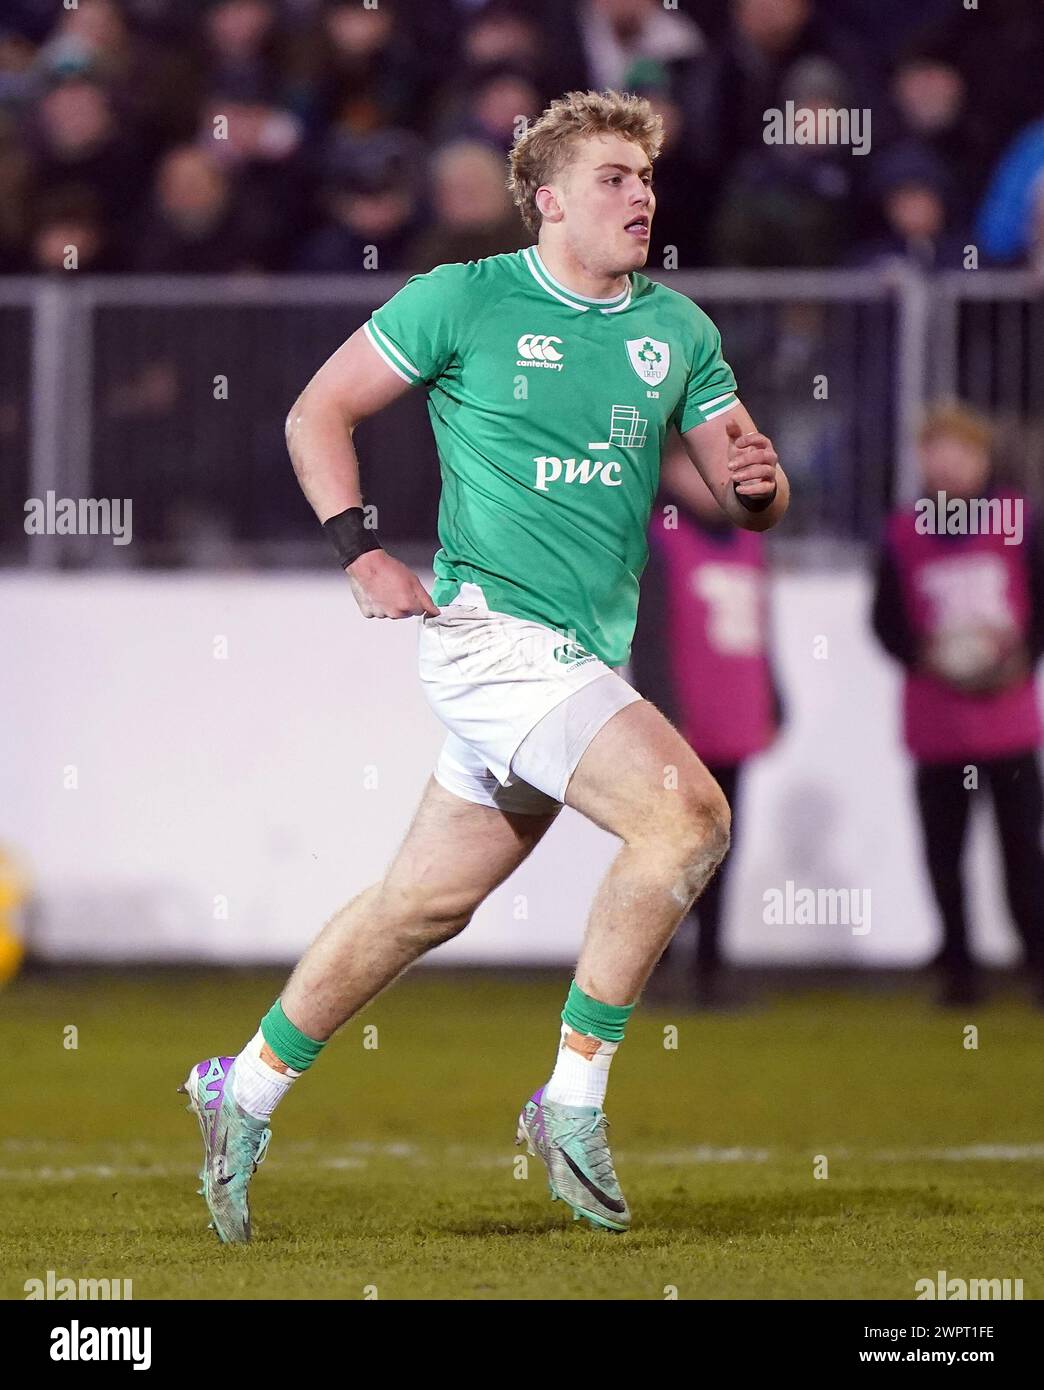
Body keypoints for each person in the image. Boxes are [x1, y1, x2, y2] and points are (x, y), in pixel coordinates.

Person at [180, 88, 788, 1241]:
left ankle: (242, 1086)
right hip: (495, 642)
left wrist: (758, 489)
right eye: (613, 178)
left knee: (420, 906)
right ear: (548, 200)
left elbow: (745, 489)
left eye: (647, 178)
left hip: (580, 655)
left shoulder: (679, 331)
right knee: (687, 820)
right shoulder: (466, 297)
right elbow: (318, 412)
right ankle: (571, 1102)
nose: (640, 196)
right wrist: (359, 552)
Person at [871, 404, 1044, 1006]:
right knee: (944, 853)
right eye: (934, 451)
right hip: (937, 724)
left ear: (983, 458)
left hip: (1009, 722)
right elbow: (885, 623)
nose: (945, 464)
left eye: (959, 451)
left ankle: (1035, 961)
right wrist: (929, 655)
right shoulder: (901, 532)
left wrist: (1019, 657)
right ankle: (959, 972)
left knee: (1023, 848)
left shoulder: (1020, 520)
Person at [631, 435, 783, 1005]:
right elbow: (648, 642)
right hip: (684, 724)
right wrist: (667, 718)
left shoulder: (748, 542)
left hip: (733, 717)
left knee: (720, 848)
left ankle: (708, 970)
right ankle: (647, 965)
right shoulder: (658, 543)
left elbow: (763, 631)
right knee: (673, 846)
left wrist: (774, 701)